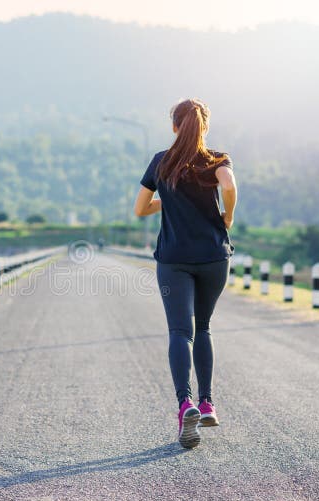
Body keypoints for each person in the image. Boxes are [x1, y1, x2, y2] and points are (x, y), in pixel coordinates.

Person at [133, 98, 237, 449]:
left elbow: (140, 209)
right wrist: (227, 216)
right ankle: (207, 404)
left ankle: (185, 405)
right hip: (213, 257)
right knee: (204, 327)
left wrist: (168, 197)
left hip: (174, 258)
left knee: (181, 331)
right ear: (204, 127)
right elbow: (229, 186)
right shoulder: (216, 160)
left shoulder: (162, 161)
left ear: (174, 126)